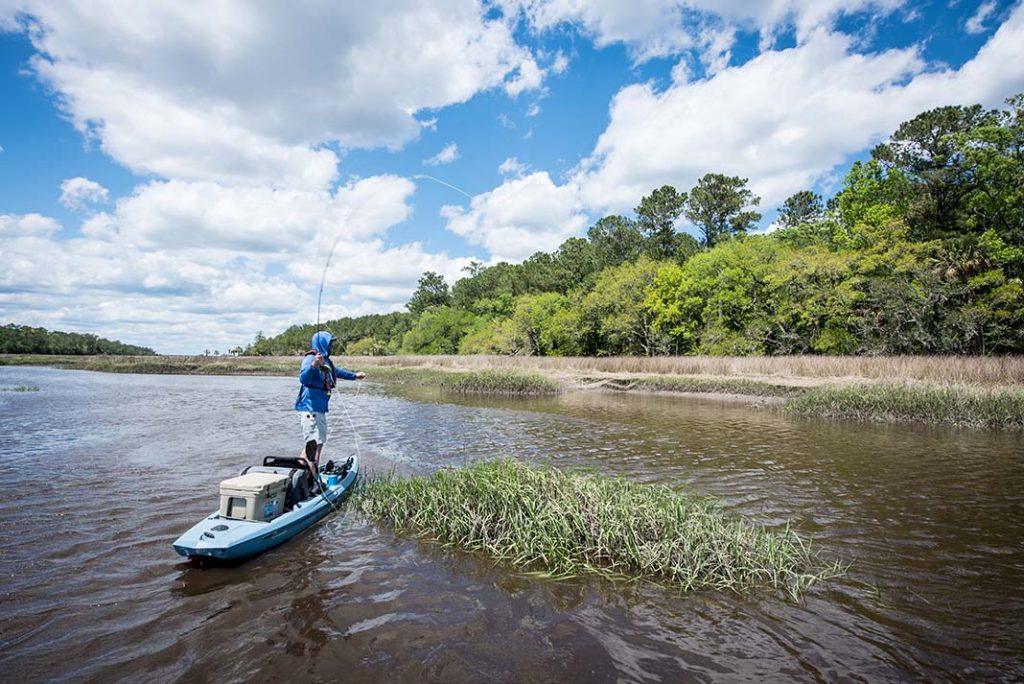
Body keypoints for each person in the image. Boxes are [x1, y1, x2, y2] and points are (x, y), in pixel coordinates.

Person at [295, 330, 364, 490]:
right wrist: (314, 365)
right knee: (315, 447)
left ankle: (300, 476)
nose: (332, 346)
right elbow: (303, 378)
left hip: (317, 409)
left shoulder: (326, 361)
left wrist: (355, 376)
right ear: (323, 344)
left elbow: (337, 372)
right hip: (311, 410)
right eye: (330, 343)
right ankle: (312, 484)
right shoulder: (311, 358)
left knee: (312, 446)